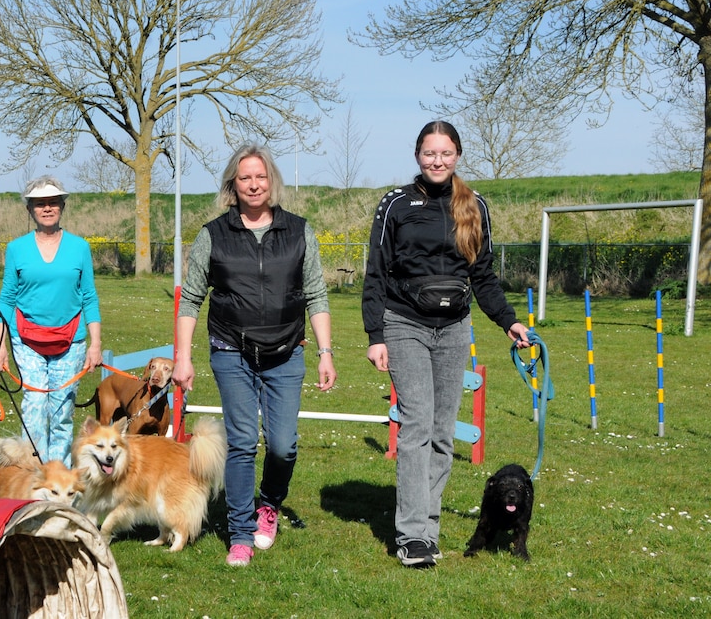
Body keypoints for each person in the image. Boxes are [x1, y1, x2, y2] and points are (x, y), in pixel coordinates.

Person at [362, 120, 530, 567]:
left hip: (455, 328)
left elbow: (483, 276)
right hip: (405, 324)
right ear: (418, 155)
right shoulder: (395, 203)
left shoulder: (474, 205)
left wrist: (508, 322)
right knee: (417, 425)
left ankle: (428, 527)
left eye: (446, 153)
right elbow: (375, 272)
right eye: (429, 153)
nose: (437, 161)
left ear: (457, 155)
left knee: (442, 432)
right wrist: (374, 335)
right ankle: (412, 535)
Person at [173, 143, 336, 567]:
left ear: (272, 181)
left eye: (260, 176)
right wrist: (183, 357)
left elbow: (316, 294)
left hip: (286, 352)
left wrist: (325, 352)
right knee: (243, 441)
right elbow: (190, 299)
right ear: (233, 184)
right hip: (232, 350)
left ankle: (270, 504)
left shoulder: (300, 231)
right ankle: (241, 532)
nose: (253, 184)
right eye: (245, 178)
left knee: (283, 446)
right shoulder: (213, 234)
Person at [0, 175, 102, 467]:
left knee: (62, 411)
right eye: (40, 204)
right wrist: (0, 345)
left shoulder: (80, 248)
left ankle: (60, 476)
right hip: (26, 339)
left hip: (72, 339)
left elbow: (89, 296)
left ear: (62, 206)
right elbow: (6, 299)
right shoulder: (16, 248)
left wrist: (95, 344)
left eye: (53, 202)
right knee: (35, 405)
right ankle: (33, 474)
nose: (47, 208)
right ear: (30, 210)